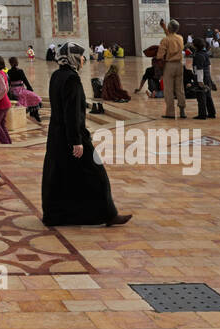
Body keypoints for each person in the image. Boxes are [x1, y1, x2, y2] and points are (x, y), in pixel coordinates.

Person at [41, 42, 131, 227]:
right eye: (81, 56)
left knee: (60, 174)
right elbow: (72, 112)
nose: (84, 59)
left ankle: (55, 215)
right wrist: (76, 141)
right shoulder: (71, 79)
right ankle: (109, 214)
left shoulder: (57, 75)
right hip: (73, 136)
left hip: (57, 135)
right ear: (73, 57)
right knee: (96, 173)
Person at [157, 19, 186, 119]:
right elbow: (171, 37)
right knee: (180, 88)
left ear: (169, 28)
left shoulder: (165, 40)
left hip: (169, 66)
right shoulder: (180, 38)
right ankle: (182, 111)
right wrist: (164, 27)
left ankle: (170, 113)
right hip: (179, 65)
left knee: (168, 90)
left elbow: (160, 56)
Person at [7, 55, 42, 123]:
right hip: (20, 90)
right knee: (35, 97)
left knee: (29, 97)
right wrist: (30, 89)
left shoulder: (9, 72)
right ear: (17, 62)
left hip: (13, 90)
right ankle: (34, 113)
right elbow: (25, 80)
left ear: (10, 63)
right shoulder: (20, 71)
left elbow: (8, 83)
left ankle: (33, 113)